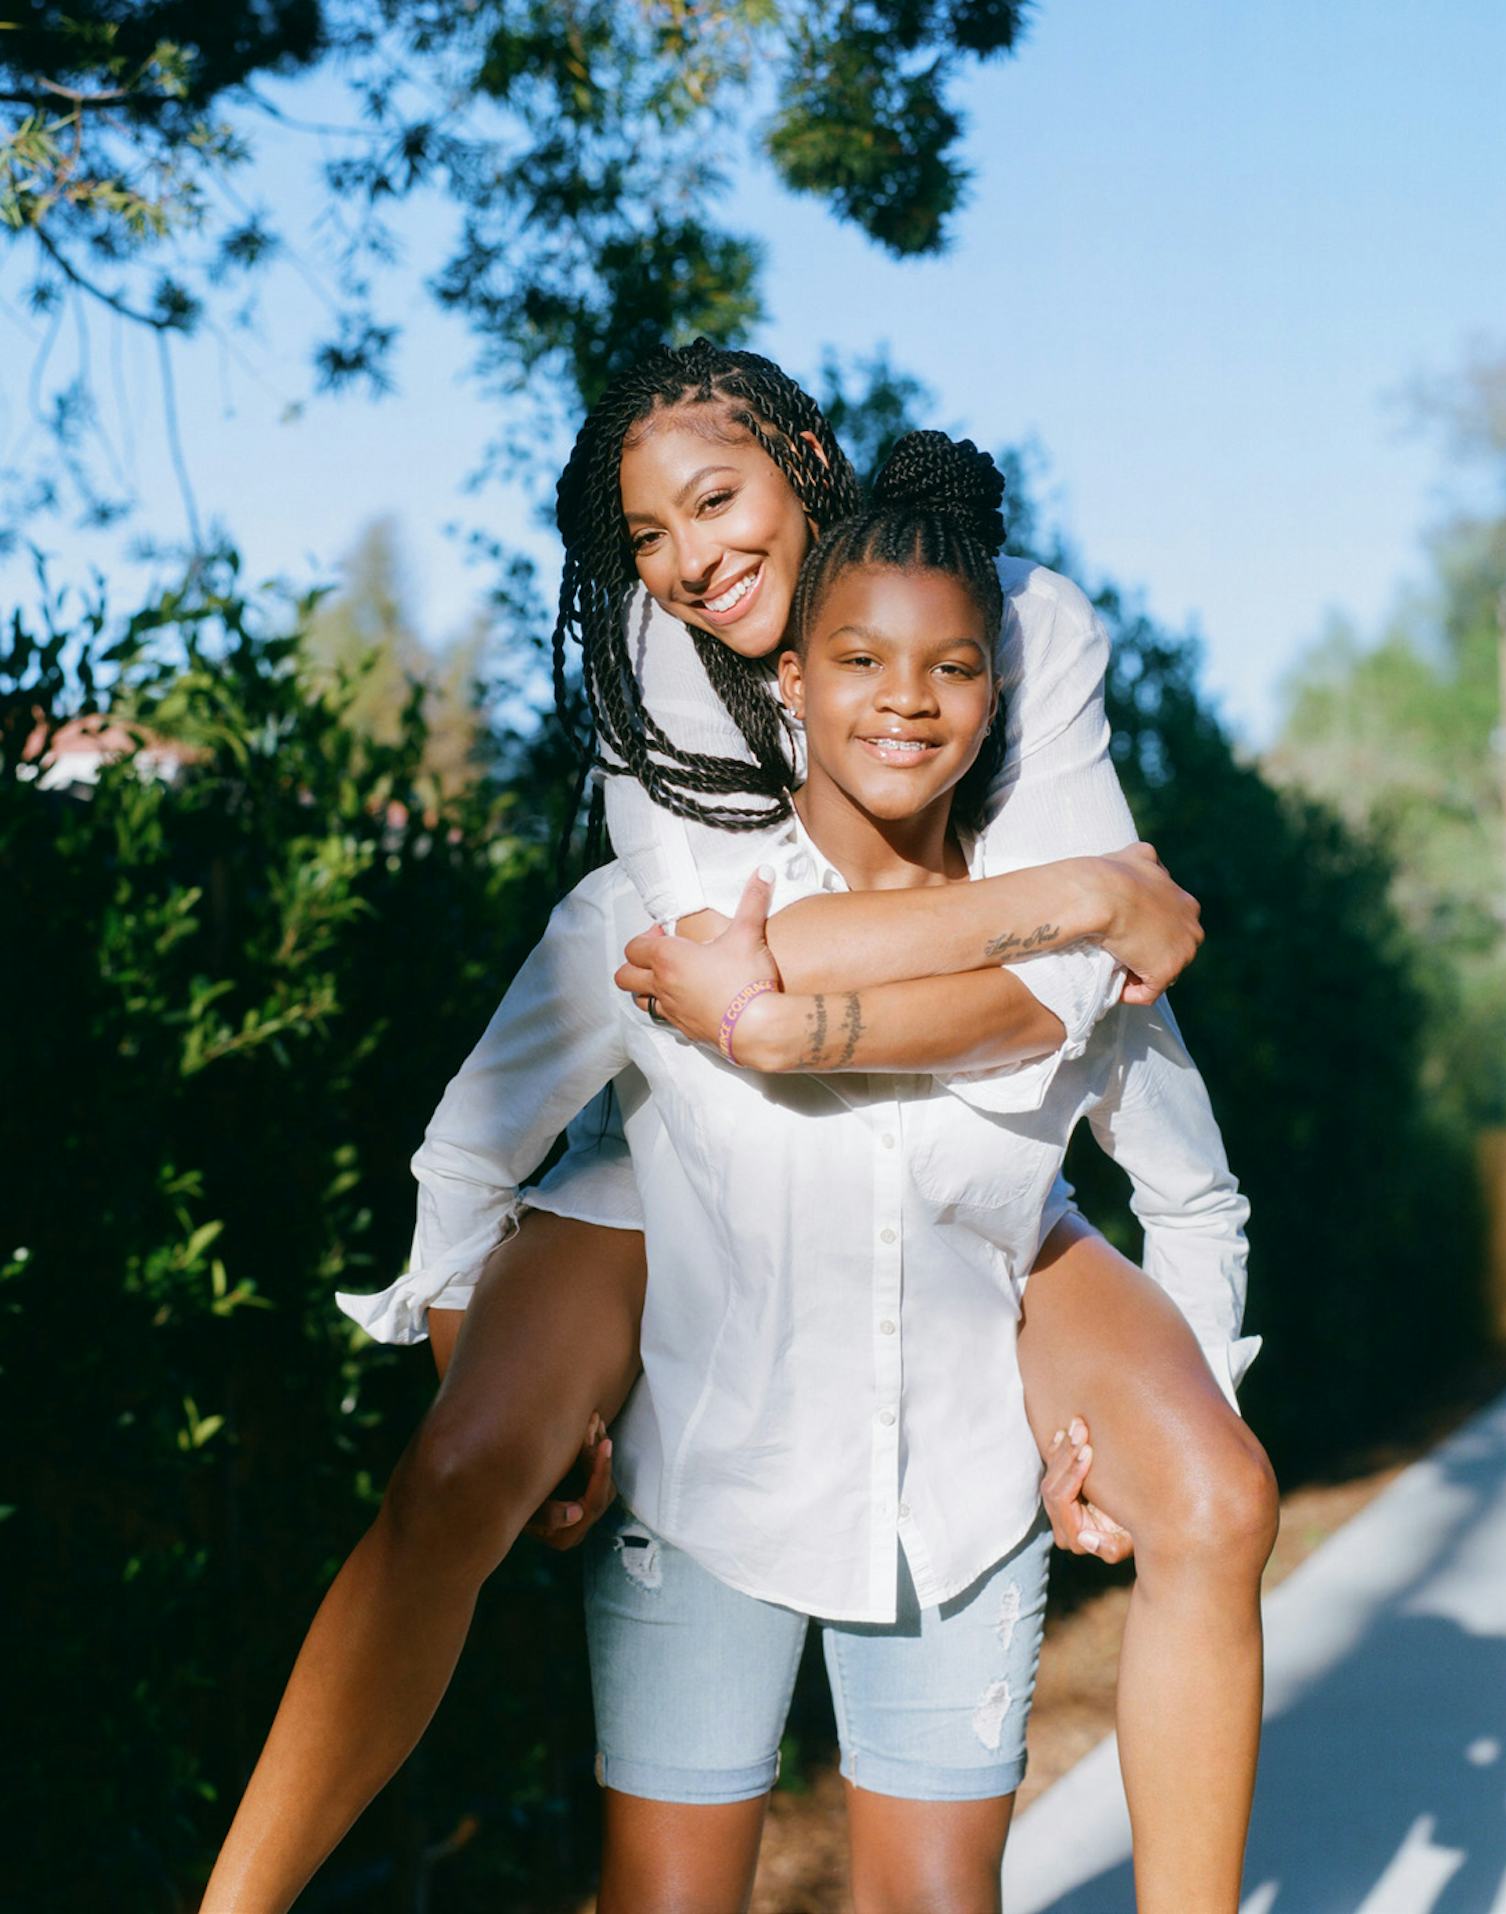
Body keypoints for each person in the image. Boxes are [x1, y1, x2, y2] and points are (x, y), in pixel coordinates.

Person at [200, 354, 1272, 1914]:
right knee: (462, 1471)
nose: (693, 556)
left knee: (1217, 1490)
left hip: (974, 1176)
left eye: (716, 498)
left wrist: (840, 993)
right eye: (651, 531)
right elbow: (693, 945)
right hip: (685, 1149)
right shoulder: (657, 649)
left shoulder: (1023, 622)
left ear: (808, 461)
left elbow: (1051, 1011)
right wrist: (1078, 893)